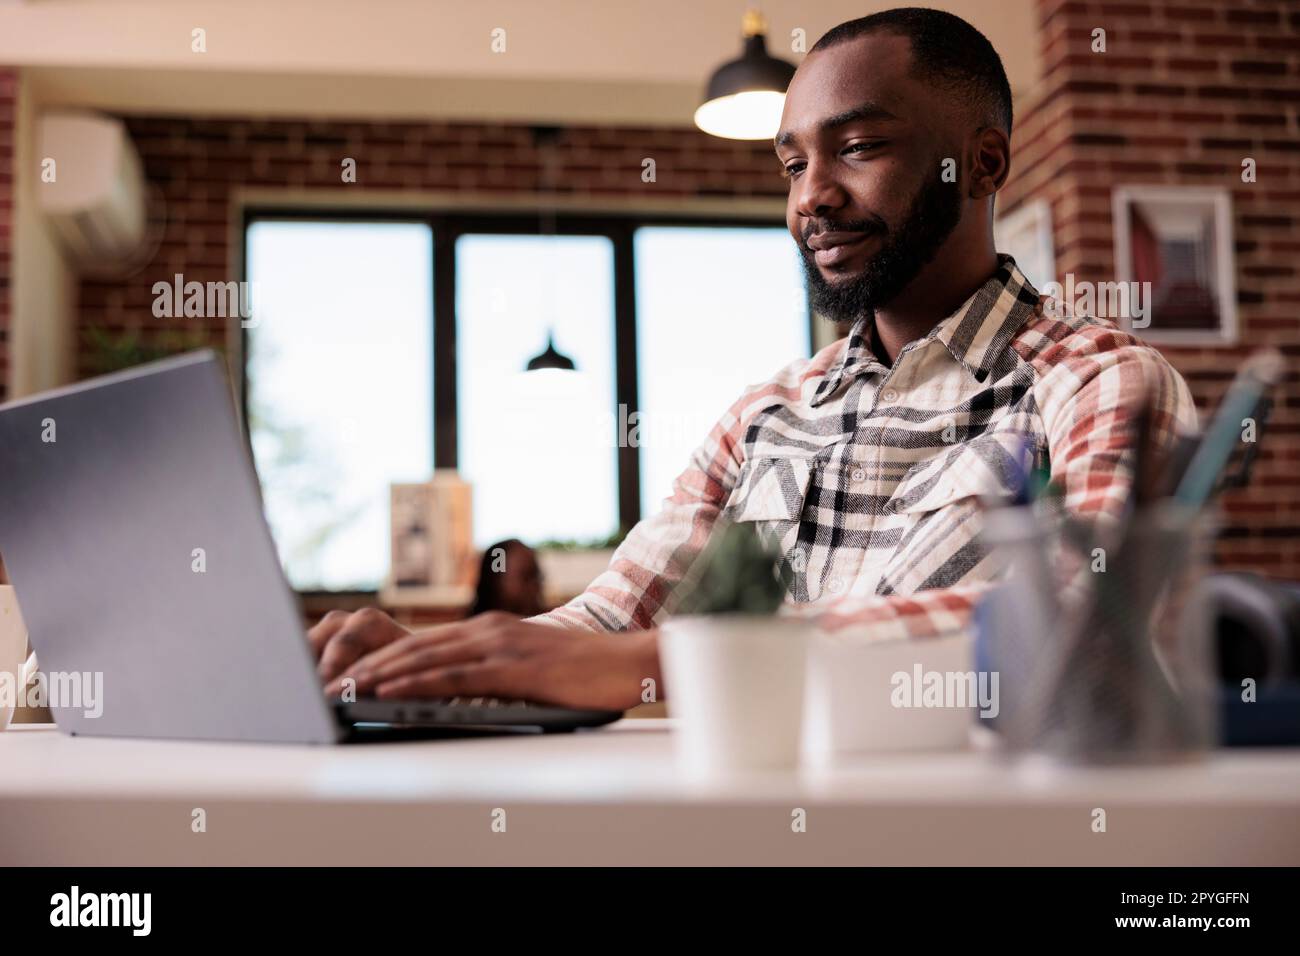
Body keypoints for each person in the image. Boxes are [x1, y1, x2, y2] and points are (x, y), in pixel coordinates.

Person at [313, 8, 1196, 711]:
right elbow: (614, 617)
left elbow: (1087, 621)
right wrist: (440, 661)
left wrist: (666, 662)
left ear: (982, 162)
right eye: (791, 163)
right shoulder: (764, 414)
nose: (811, 195)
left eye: (857, 148)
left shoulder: (1096, 383)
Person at [467, 539, 546, 619]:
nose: (537, 584)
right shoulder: (474, 629)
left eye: (538, 575)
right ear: (496, 582)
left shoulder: (544, 623)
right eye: (527, 576)